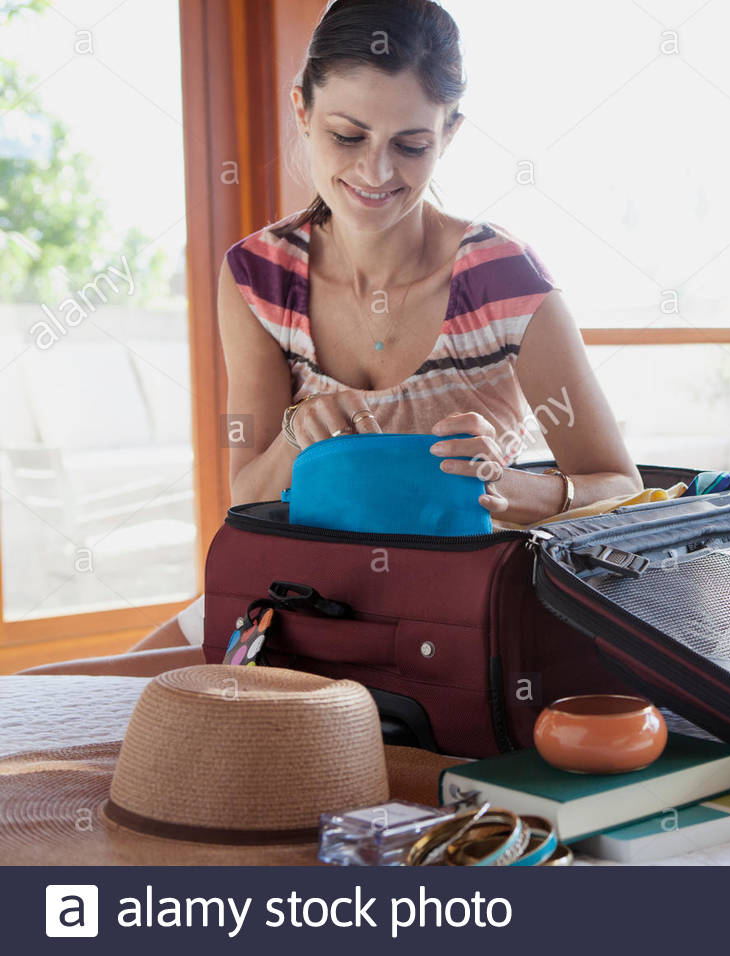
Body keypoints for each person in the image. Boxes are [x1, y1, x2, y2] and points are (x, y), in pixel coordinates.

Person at [22, 0, 640, 677]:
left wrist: (521, 492)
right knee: (38, 698)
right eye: (348, 136)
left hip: (457, 613)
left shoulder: (500, 277)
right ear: (303, 112)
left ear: (450, 134)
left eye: (411, 145)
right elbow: (247, 500)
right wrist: (294, 438)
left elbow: (620, 483)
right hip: (299, 594)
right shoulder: (258, 274)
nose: (376, 174)